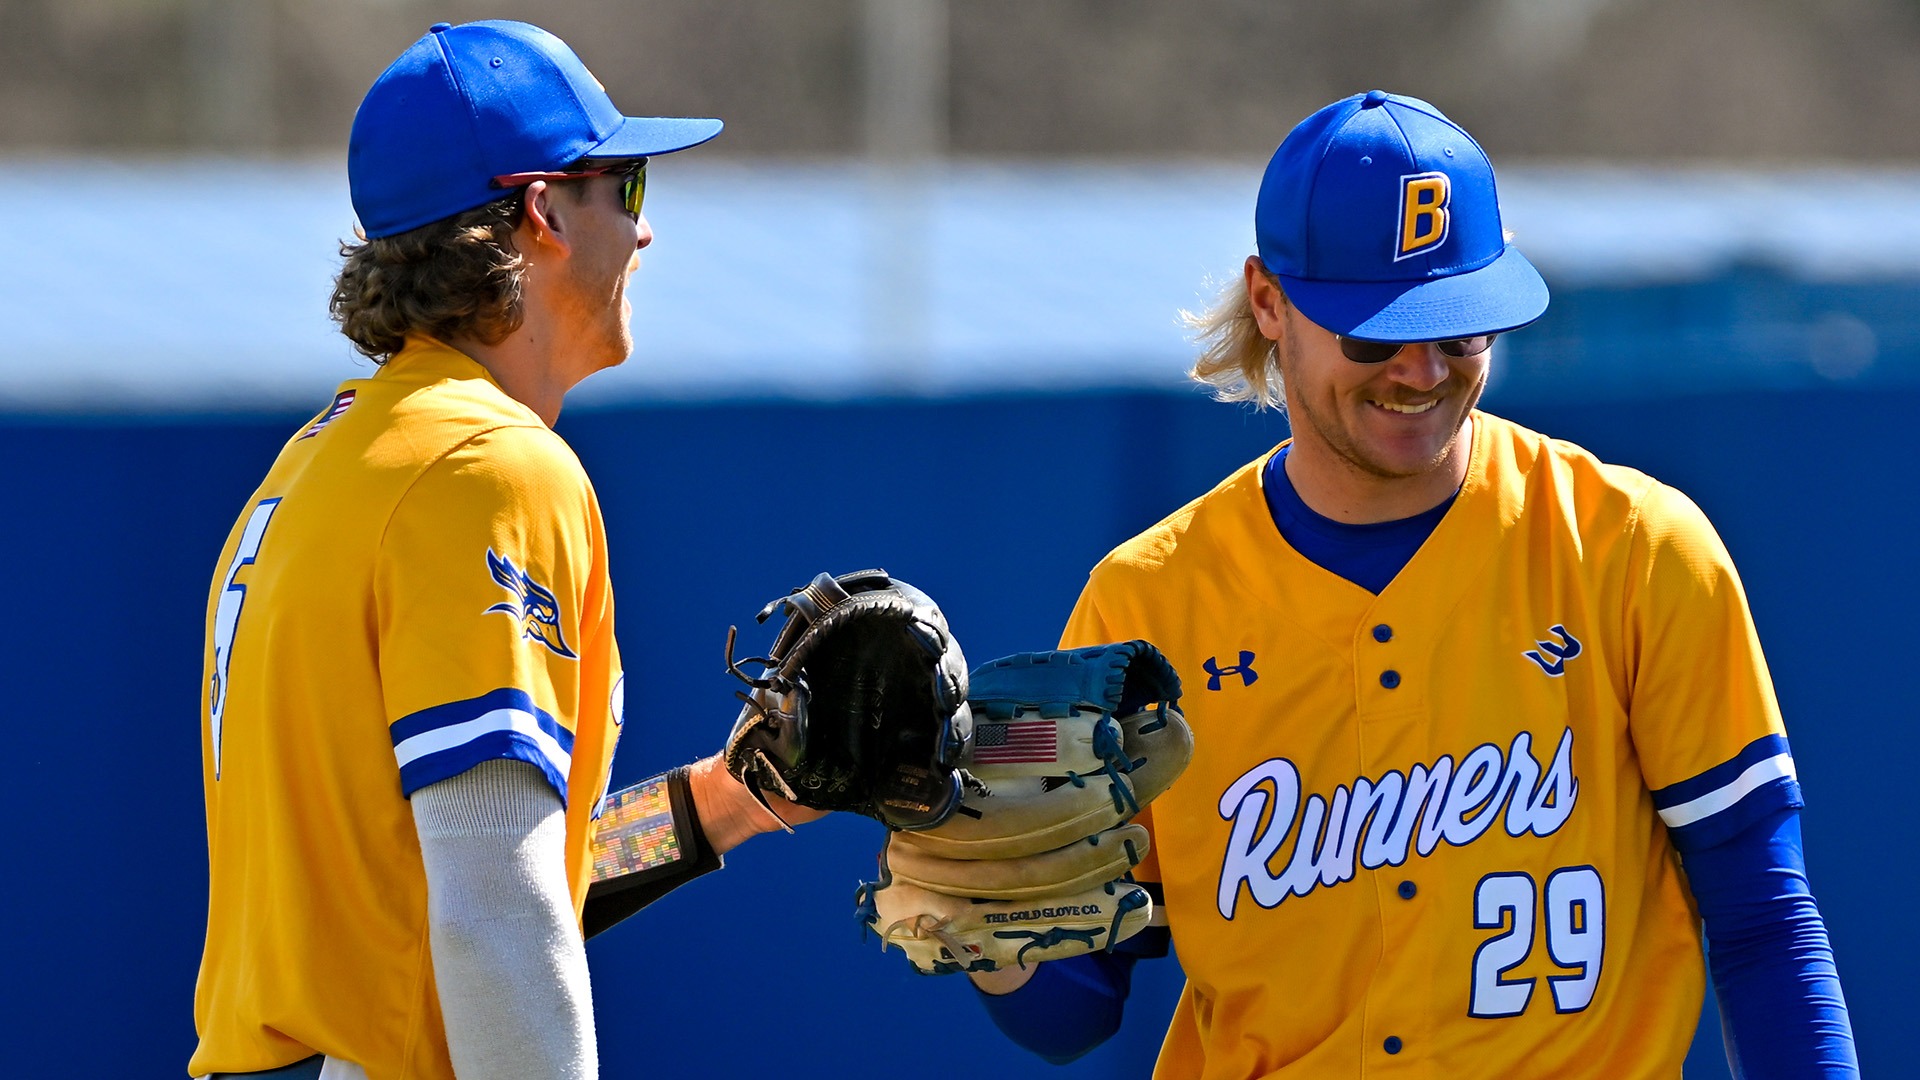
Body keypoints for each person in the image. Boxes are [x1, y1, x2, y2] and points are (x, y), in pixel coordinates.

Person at [967, 90, 1859, 1077]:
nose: (1422, 371)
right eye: (1373, 335)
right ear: (1269, 302)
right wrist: (965, 858)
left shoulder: (1636, 549)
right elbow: (1068, 1013)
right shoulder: (1143, 605)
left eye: (1460, 331)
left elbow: (1765, 924)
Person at [190, 21, 811, 1080]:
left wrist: (723, 802)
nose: (645, 232)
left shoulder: (335, 456)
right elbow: (492, 915)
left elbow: (483, 876)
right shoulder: (485, 466)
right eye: (628, 187)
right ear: (542, 213)